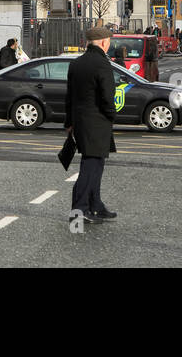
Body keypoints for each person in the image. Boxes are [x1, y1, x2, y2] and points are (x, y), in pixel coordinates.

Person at [65, 26, 118, 223]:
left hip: (81, 122)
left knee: (95, 164)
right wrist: (111, 116)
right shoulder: (102, 64)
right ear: (104, 42)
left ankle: (96, 205)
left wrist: (69, 122)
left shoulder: (76, 63)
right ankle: (79, 210)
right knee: (91, 166)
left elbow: (69, 96)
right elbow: (107, 96)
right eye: (109, 41)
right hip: (97, 122)